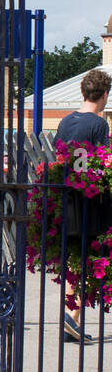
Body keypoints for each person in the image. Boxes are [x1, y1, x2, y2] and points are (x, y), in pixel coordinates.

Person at [55, 68, 111, 342]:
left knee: (74, 263)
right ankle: (71, 317)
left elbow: (60, 159)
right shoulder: (99, 124)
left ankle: (71, 318)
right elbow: (98, 163)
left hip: (67, 204)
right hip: (90, 204)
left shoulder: (65, 122)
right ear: (104, 95)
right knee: (96, 262)